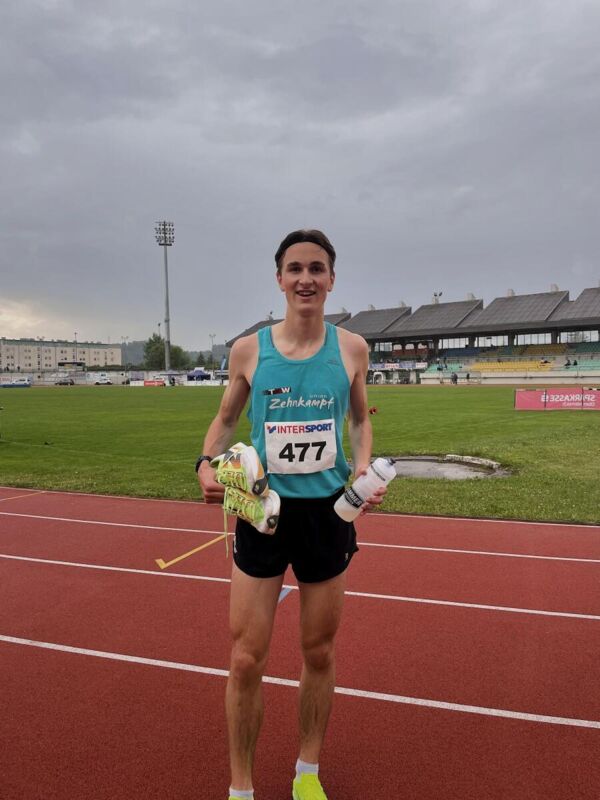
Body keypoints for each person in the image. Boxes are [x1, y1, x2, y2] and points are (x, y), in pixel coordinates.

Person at [197, 229, 386, 800]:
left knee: (319, 651)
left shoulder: (352, 347)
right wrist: (206, 464)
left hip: (328, 516)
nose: (307, 278)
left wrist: (363, 467)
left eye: (318, 269)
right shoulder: (249, 349)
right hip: (260, 511)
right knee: (245, 657)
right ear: (279, 278)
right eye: (296, 268)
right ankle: (241, 788)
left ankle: (307, 774)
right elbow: (227, 419)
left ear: (332, 280)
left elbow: (358, 420)